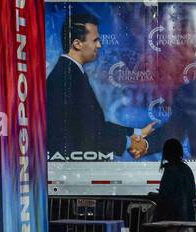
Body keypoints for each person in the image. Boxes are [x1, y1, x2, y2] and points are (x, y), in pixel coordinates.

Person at [45, 10, 155, 160]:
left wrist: (136, 133)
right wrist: (129, 143)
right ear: (77, 44)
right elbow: (87, 131)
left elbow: (94, 124)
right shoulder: (68, 78)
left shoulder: (71, 73)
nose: (99, 45)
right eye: (95, 40)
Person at [152, 138, 196, 222]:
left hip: (171, 218)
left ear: (166, 153)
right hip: (187, 217)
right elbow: (192, 193)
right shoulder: (186, 169)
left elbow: (166, 196)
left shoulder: (170, 171)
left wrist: (153, 196)